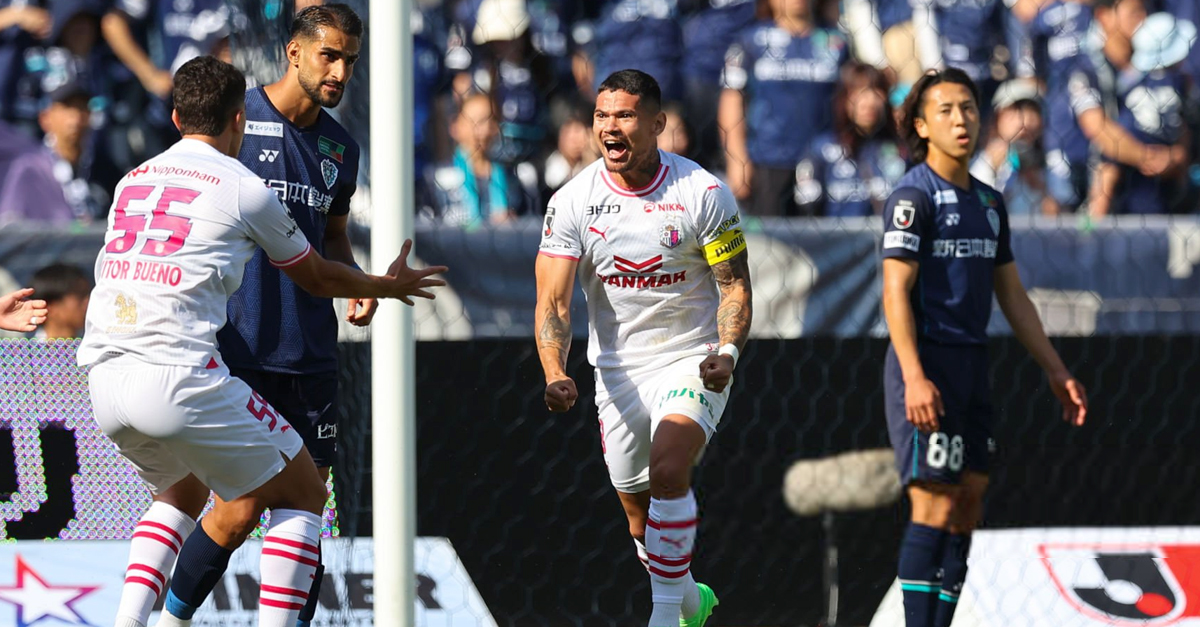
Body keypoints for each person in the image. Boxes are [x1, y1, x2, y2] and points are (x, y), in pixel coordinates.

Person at [82, 55, 445, 627]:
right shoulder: (243, 188)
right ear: (238, 120)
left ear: (176, 118)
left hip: (103, 381)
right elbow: (318, 276)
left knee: (180, 495)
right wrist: (381, 284)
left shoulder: (132, 180)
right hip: (179, 377)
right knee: (303, 493)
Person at [535, 69, 752, 627]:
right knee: (639, 519)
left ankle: (661, 617)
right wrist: (554, 370)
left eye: (625, 116)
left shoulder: (702, 193)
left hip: (691, 357)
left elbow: (734, 287)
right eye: (602, 116)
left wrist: (726, 351)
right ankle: (688, 600)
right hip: (617, 373)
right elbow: (555, 304)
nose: (610, 127)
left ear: (657, 124)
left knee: (670, 467)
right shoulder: (572, 203)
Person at [881, 68, 1088, 627]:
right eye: (945, 110)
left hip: (974, 364)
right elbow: (894, 292)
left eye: (968, 107)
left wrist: (1055, 368)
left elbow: (1013, 296)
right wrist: (914, 375)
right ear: (922, 126)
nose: (960, 119)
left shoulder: (991, 204)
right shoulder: (911, 197)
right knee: (933, 504)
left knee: (968, 502)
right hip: (927, 362)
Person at [214, 5, 366, 627]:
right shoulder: (236, 122)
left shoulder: (340, 147)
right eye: (328, 55)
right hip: (235, 349)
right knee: (232, 512)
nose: (339, 71)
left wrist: (357, 283)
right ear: (294, 52)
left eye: (350, 60)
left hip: (309, 355)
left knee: (308, 512)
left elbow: (333, 238)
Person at [719, 0, 848, 215]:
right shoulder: (750, 41)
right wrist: (737, 161)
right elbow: (732, 97)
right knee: (772, 243)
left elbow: (848, 98)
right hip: (767, 161)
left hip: (823, 162)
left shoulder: (836, 41)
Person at [1087, 11, 1194, 217]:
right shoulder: (1180, 82)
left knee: (1108, 170)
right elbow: (1183, 129)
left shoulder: (1130, 81)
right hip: (1161, 160)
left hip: (1129, 144)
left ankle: (1093, 225)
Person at [794, 62, 907, 217]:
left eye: (876, 91)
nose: (869, 102)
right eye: (859, 92)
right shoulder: (821, 150)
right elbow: (807, 208)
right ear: (844, 98)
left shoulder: (899, 149)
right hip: (835, 238)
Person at [428, 92, 536, 225]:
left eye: (491, 121)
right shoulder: (436, 178)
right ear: (455, 126)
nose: (484, 130)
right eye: (476, 121)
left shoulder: (515, 177)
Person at [970, 78, 1057, 215]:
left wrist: (1038, 186)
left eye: (1032, 110)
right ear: (998, 117)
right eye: (1016, 109)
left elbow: (1062, 219)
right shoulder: (982, 162)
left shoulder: (1053, 163)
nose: (1025, 120)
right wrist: (993, 170)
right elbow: (974, 211)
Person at [29, 263, 90, 339]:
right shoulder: (31, 350)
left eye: (89, 294)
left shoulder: (97, 347)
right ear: (50, 307)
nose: (88, 302)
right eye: (80, 296)